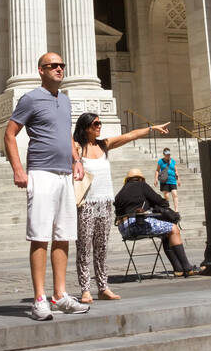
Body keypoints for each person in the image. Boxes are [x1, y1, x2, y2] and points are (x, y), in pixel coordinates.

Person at [4, 52, 88, 320]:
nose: (60, 69)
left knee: (63, 235)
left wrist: (76, 159)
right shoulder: (30, 99)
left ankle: (60, 294)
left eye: (62, 65)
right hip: (40, 173)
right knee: (40, 236)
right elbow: (9, 133)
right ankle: (39, 298)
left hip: (65, 174)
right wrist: (18, 169)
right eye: (53, 66)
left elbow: (66, 134)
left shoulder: (64, 100)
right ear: (41, 70)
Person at [74, 114, 170, 303]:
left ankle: (103, 287)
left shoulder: (103, 145)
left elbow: (130, 136)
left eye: (100, 123)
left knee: (101, 247)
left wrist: (151, 129)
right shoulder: (77, 148)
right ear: (86, 127)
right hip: (86, 204)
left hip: (105, 203)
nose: (100, 126)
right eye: (96, 124)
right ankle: (85, 289)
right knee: (84, 248)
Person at [113, 169, 199, 277]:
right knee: (173, 229)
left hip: (124, 229)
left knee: (167, 234)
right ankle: (187, 267)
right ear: (140, 179)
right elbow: (160, 201)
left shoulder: (120, 193)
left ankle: (178, 269)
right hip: (137, 224)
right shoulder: (141, 185)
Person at [156, 147, 179, 212]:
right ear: (164, 154)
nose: (168, 155)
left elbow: (176, 170)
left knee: (175, 194)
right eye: (166, 154)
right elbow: (157, 170)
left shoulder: (173, 161)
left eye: (169, 154)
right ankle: (168, 208)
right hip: (164, 181)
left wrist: (178, 179)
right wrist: (156, 179)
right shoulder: (160, 161)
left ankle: (176, 210)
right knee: (166, 195)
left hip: (172, 180)